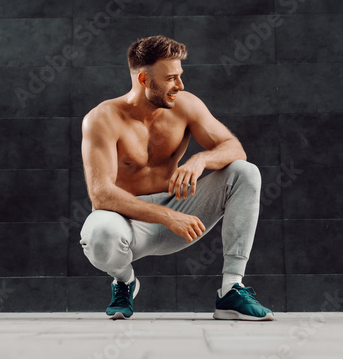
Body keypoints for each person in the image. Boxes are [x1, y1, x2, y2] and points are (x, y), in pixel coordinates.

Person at [78, 35, 273, 320]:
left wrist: (200, 159)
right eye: (171, 78)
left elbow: (235, 148)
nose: (179, 86)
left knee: (245, 172)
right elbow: (101, 194)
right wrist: (167, 216)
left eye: (180, 76)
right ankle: (124, 281)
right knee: (98, 233)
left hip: (182, 209)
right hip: (128, 223)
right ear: (144, 79)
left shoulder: (186, 105)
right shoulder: (102, 118)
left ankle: (231, 289)